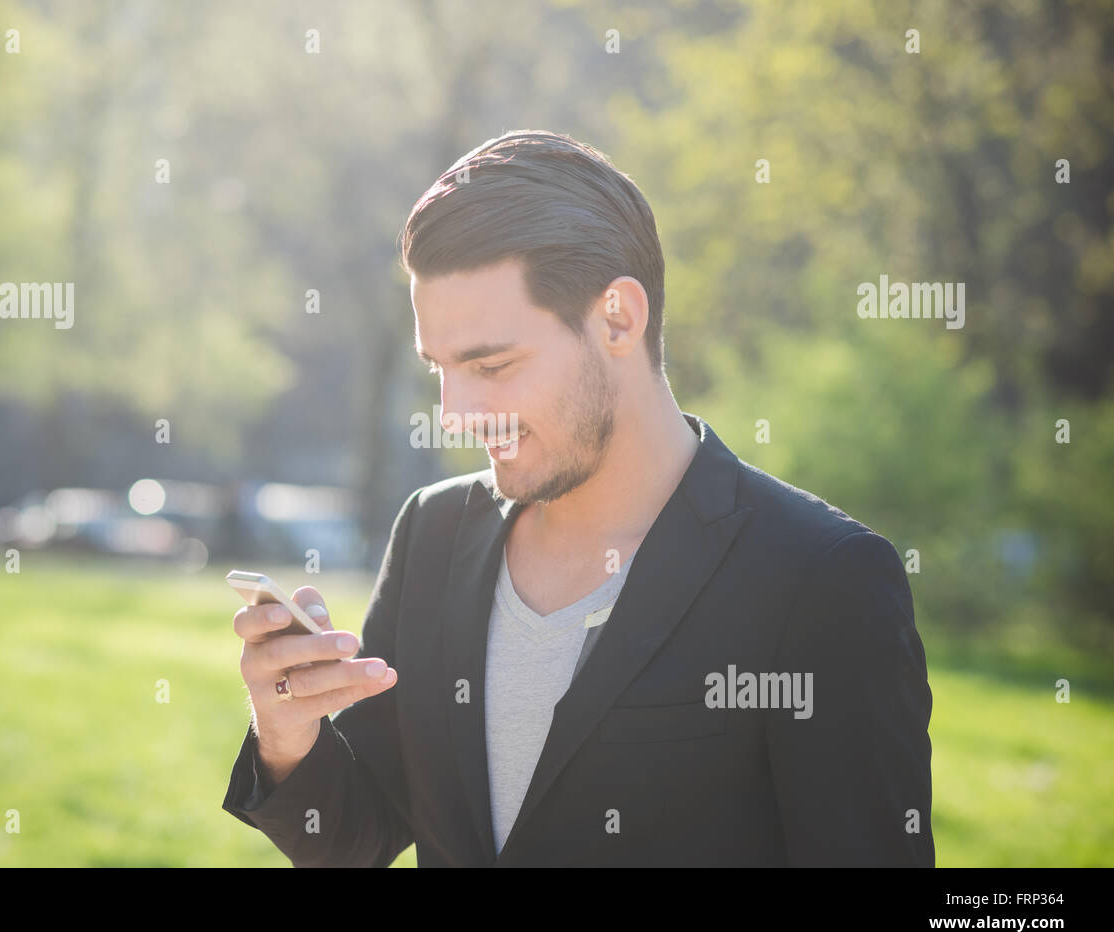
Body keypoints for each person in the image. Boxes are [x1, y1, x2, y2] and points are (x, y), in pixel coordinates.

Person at [222, 130, 934, 866]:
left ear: (618, 319)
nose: (457, 413)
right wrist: (287, 735)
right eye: (438, 368)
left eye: (490, 364)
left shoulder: (822, 579)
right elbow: (360, 837)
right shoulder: (431, 533)